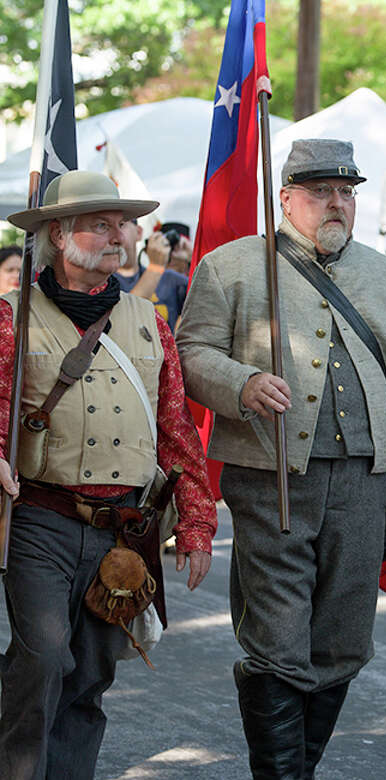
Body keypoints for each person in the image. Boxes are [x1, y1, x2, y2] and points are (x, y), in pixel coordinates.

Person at [175, 139, 386, 779]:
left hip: (366, 484)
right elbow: (188, 355)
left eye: (346, 192)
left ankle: (299, 770)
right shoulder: (233, 268)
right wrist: (240, 382)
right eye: (322, 191)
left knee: (344, 641)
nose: (337, 204)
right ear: (286, 198)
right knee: (277, 638)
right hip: (272, 481)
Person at [0, 170, 217, 779]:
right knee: (42, 658)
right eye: (100, 223)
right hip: (40, 519)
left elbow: (177, 430)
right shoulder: (10, 317)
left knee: (93, 674)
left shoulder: (150, 321)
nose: (118, 235)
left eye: (121, 223)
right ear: (58, 235)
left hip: (125, 530)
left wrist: (197, 522)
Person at [113, 221, 192, 330]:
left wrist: (190, 258)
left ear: (139, 232)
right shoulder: (102, 282)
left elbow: (207, 298)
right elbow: (124, 318)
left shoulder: (170, 279)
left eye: (121, 225)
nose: (113, 235)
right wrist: (156, 266)